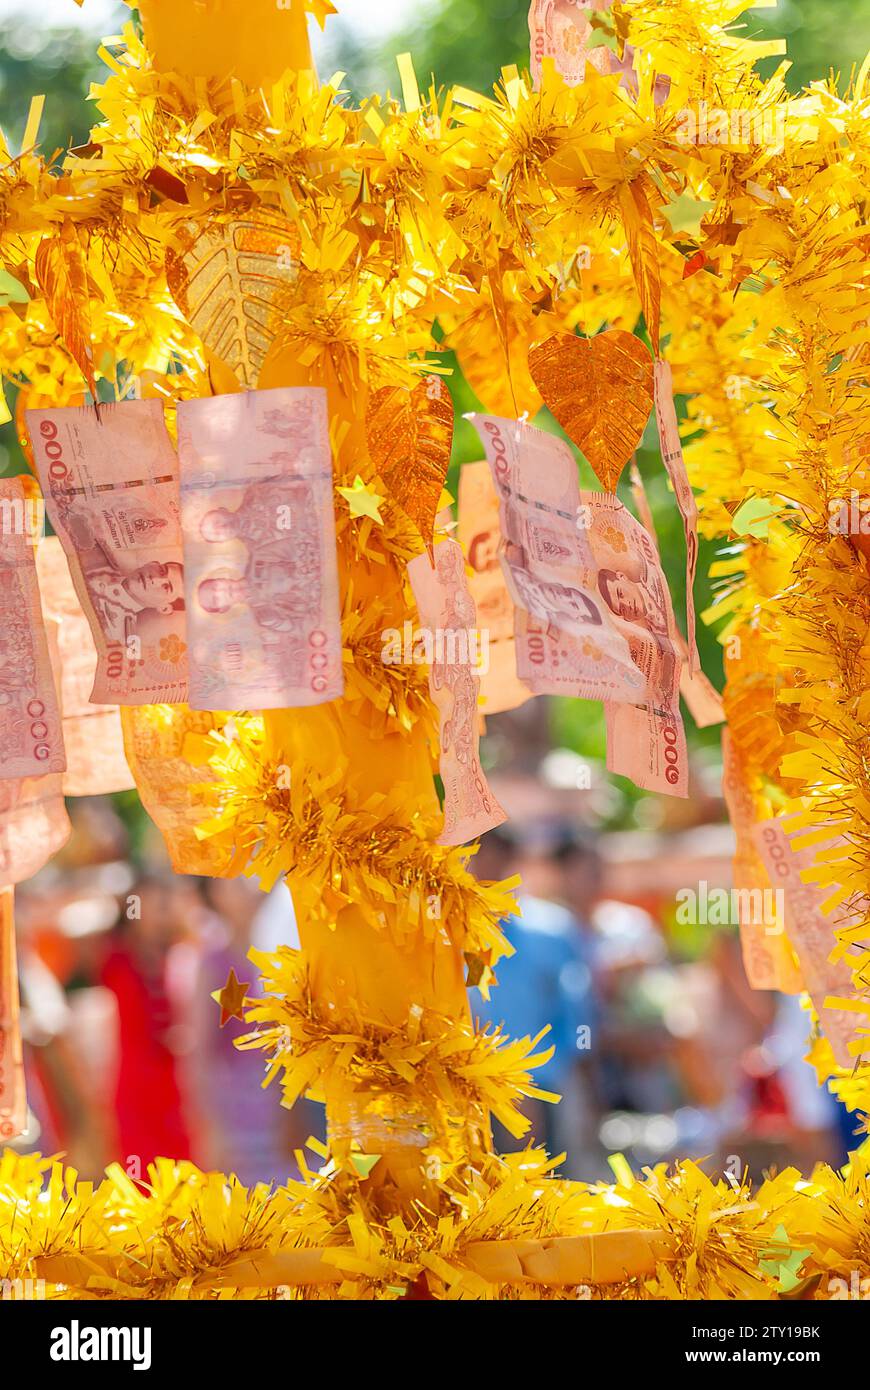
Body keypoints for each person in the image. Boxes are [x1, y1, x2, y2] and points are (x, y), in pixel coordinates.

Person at [471, 825, 598, 1162]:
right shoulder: (449, 934)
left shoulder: (552, 929)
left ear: (512, 860)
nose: (482, 866)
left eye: (493, 855)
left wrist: (574, 1080)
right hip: (474, 1090)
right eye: (474, 857)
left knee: (552, 1191)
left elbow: (577, 1012)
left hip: (544, 1085)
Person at [99, 875, 192, 1175]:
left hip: (176, 1084)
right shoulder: (116, 957)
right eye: (144, 905)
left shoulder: (182, 957)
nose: (153, 914)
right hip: (133, 1084)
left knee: (184, 1171)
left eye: (161, 905)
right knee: (140, 1172)